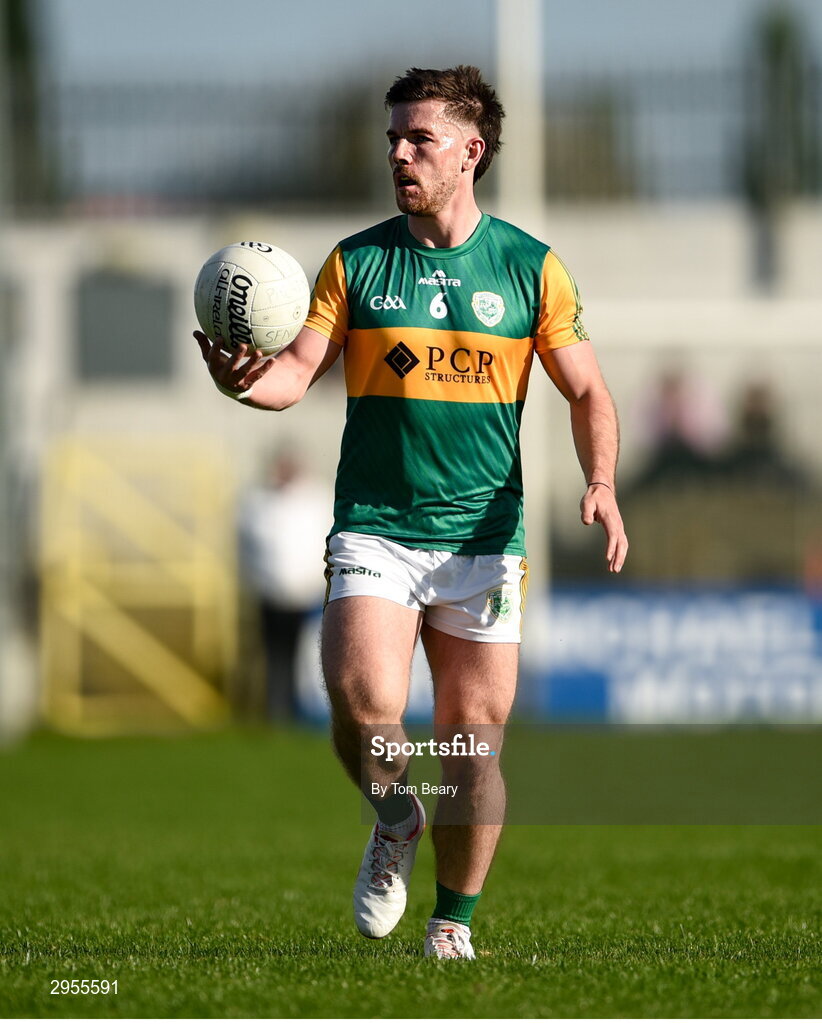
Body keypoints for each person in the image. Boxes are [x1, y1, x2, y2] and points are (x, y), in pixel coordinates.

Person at [194, 65, 628, 960]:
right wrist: (242, 384)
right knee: (364, 701)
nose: (398, 152)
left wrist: (601, 480)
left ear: (471, 152)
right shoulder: (356, 262)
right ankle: (395, 818)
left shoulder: (530, 267)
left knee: (472, 747)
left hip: (483, 537)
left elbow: (587, 390)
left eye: (418, 138)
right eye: (393, 136)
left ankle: (451, 926)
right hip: (377, 526)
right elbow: (294, 375)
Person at [236, 449, 332, 720]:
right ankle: (276, 709)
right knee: (274, 654)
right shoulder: (258, 501)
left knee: (308, 658)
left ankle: (304, 711)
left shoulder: (317, 498)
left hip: (310, 594)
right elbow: (247, 547)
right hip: (271, 594)